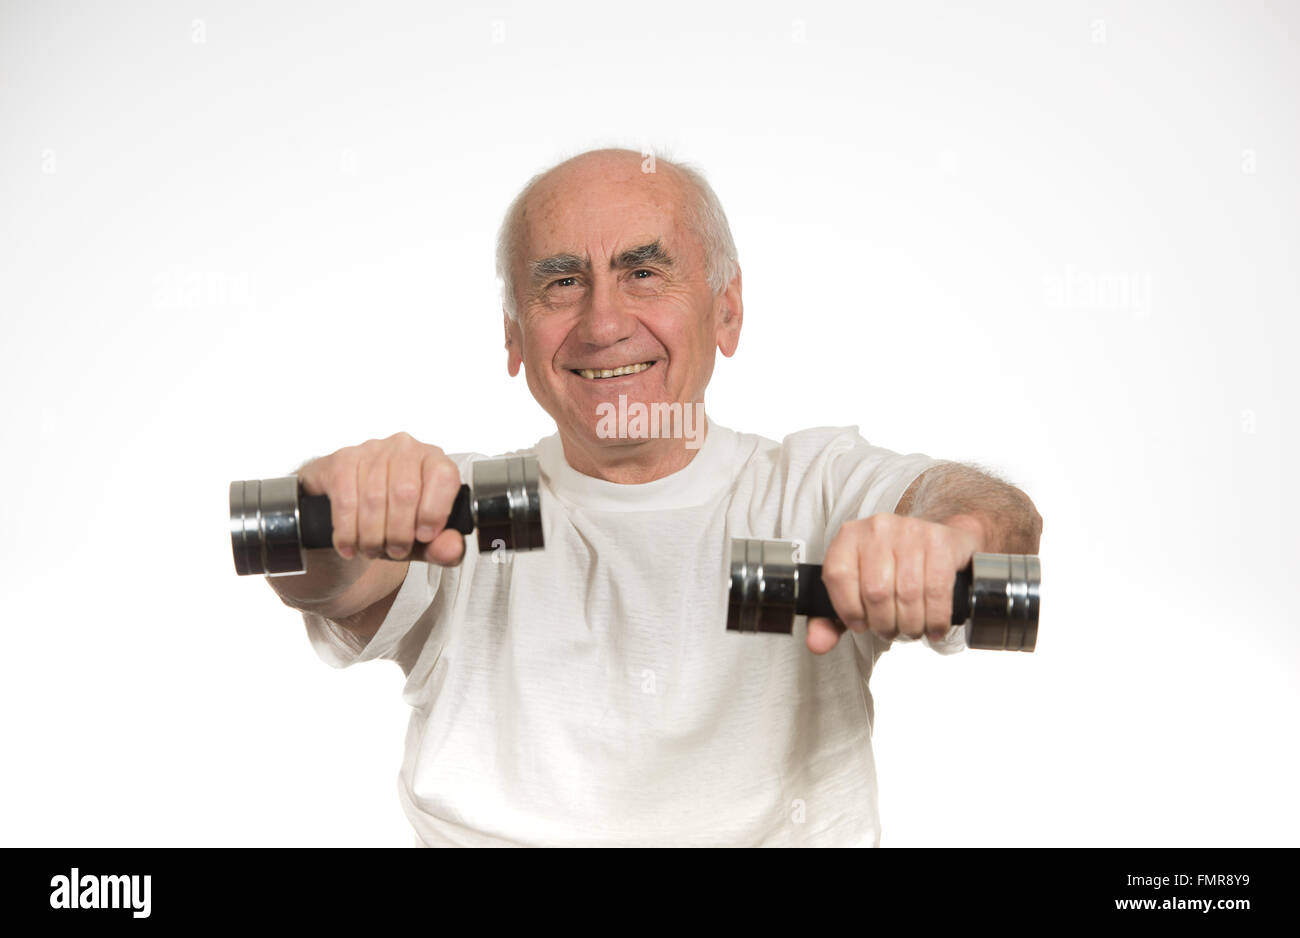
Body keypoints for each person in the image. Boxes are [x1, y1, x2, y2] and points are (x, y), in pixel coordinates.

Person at [268, 147, 1044, 847]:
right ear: (513, 337)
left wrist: (949, 538)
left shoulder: (811, 490)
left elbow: (992, 522)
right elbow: (319, 577)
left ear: (727, 310)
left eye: (643, 273)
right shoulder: (454, 506)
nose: (603, 322)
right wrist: (331, 509)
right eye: (562, 283)